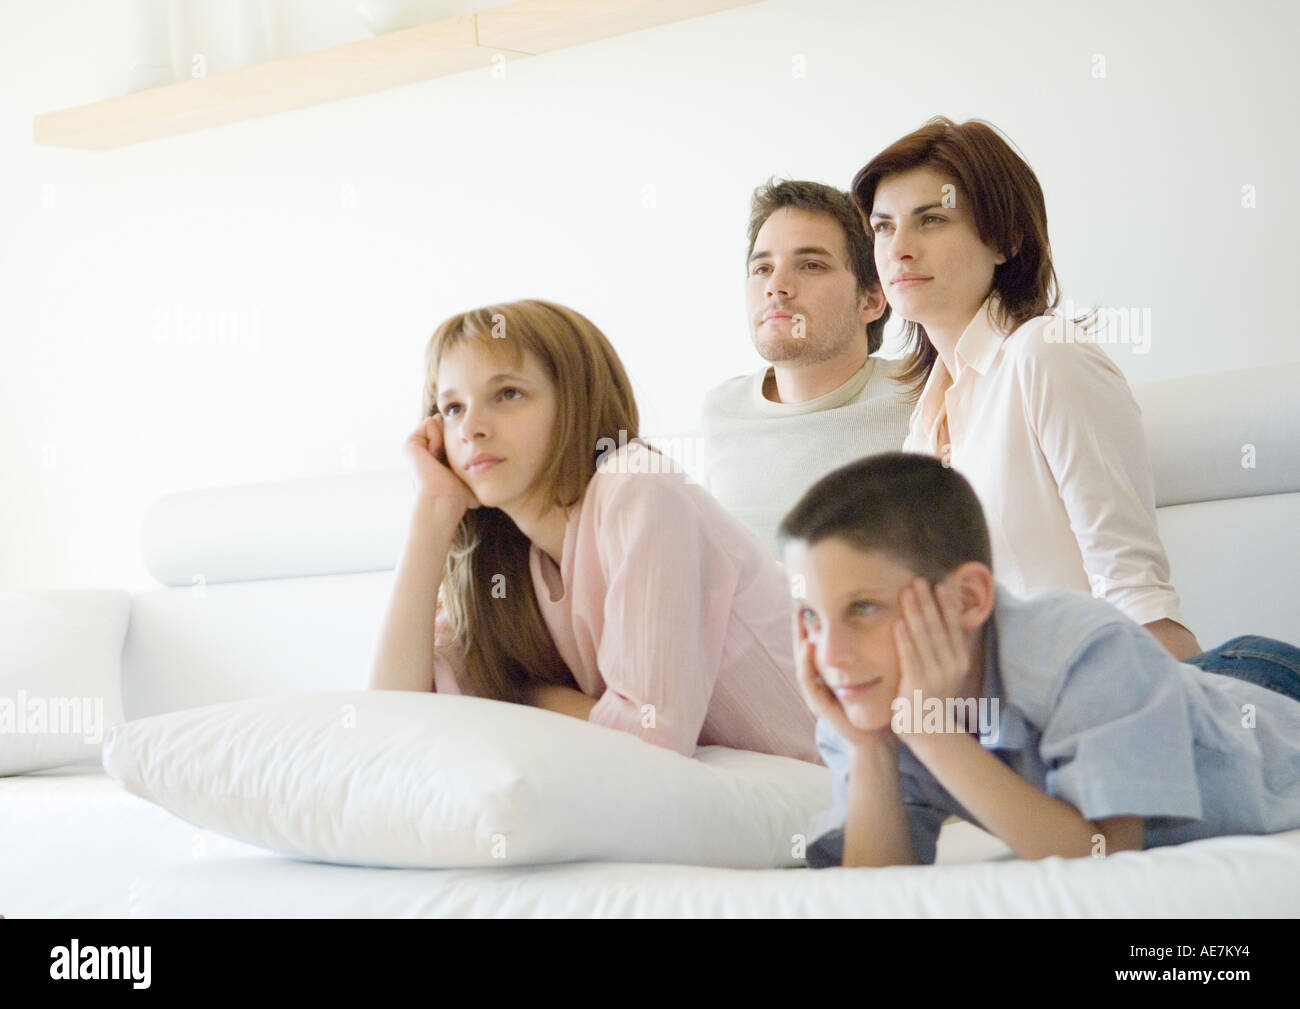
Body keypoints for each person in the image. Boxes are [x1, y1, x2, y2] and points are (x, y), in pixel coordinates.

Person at [778, 452, 1300, 868]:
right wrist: (871, 751)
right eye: (811, 618)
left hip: (1264, 684)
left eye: (863, 608)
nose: (830, 654)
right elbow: (875, 892)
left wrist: (932, 735)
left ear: (967, 600)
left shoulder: (1083, 651)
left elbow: (1104, 858)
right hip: (1162, 697)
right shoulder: (867, 701)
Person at [367, 298, 820, 764]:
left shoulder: (637, 488)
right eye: (453, 408)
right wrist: (434, 509)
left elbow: (651, 739)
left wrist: (529, 695)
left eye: (507, 394)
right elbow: (395, 717)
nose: (472, 428)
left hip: (859, 778)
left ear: (574, 402)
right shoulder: (503, 564)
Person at [852, 117, 1202, 660]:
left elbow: (1136, 595)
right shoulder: (924, 424)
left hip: (1092, 698)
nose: (899, 248)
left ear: (1005, 240)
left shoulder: (1046, 352)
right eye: (883, 227)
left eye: (932, 219)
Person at [698, 178, 913, 557]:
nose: (776, 287)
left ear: (872, 300)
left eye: (811, 265)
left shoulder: (925, 394)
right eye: (762, 268)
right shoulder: (719, 411)